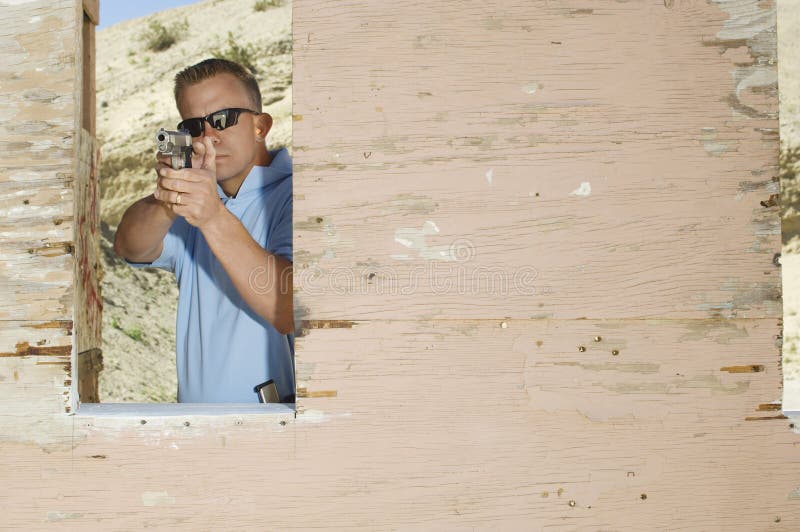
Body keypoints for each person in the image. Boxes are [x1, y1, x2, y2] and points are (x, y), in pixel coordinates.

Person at [113, 58, 295, 403]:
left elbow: (288, 311)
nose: (208, 137)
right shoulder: (197, 199)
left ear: (261, 126)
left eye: (222, 120)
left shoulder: (299, 195)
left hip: (275, 433)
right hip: (195, 430)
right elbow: (129, 247)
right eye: (195, 125)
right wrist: (169, 199)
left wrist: (212, 217)